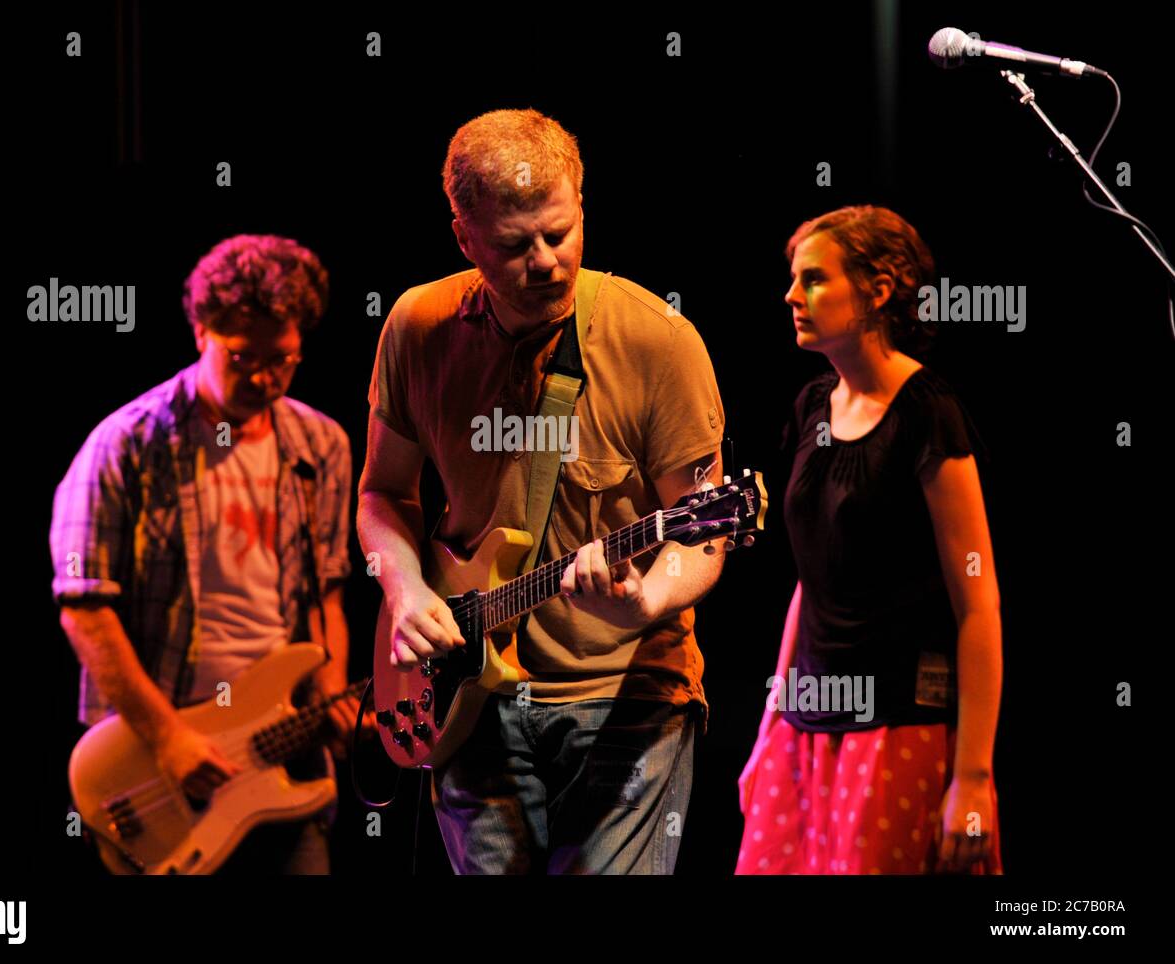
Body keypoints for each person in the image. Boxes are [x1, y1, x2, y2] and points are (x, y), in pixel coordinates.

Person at [358, 108, 729, 874]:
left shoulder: (658, 338)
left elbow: (704, 529)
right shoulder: (417, 325)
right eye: (513, 245)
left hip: (628, 700)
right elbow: (383, 495)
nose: (547, 263)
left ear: (581, 205)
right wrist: (403, 586)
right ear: (464, 239)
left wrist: (647, 601)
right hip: (468, 704)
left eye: (560, 233)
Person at [51, 234, 363, 874]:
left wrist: (333, 693)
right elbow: (84, 610)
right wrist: (168, 738)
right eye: (242, 355)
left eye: (283, 360)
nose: (262, 378)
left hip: (284, 757)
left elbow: (328, 591)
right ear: (200, 331)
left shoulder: (322, 444)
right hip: (162, 765)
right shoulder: (124, 446)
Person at [736, 206, 1003, 874]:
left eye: (815, 280)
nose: (792, 296)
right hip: (802, 730)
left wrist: (973, 779)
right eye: (795, 280)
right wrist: (772, 723)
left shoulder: (926, 413)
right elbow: (812, 582)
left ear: (878, 290)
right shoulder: (811, 406)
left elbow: (977, 607)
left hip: (895, 729)